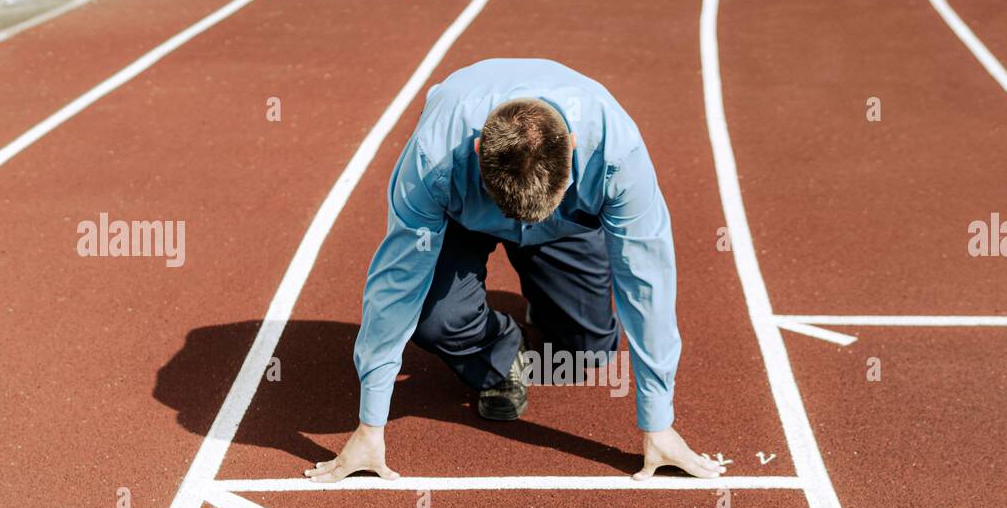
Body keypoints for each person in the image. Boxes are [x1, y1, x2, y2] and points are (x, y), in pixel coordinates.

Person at [306, 58, 723, 483]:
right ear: (476, 152)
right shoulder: (432, 160)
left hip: (564, 223)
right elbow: (398, 281)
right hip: (464, 220)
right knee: (433, 320)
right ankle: (499, 349)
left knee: (589, 353)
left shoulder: (618, 154)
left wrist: (659, 424)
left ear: (573, 146)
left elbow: (646, 282)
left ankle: (548, 300)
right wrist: (370, 426)